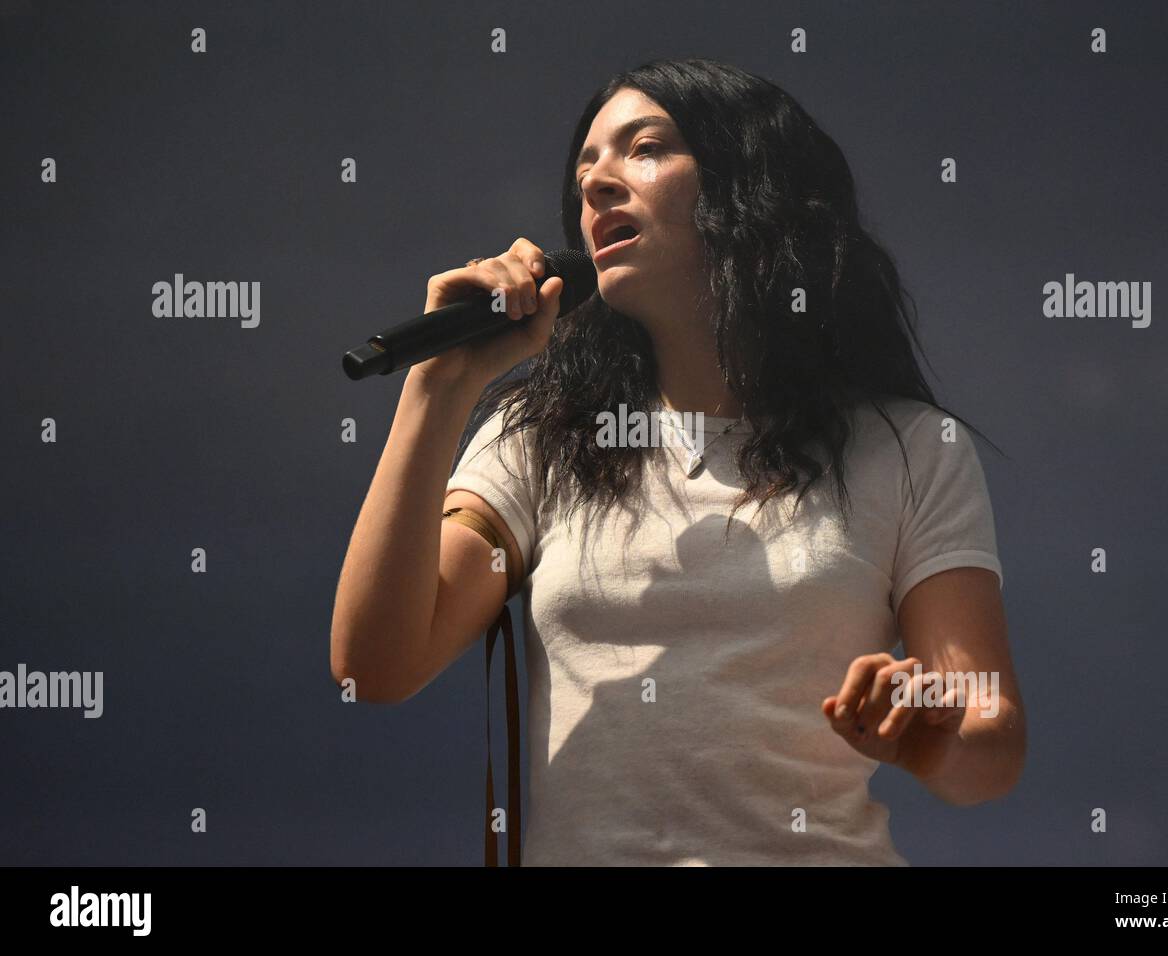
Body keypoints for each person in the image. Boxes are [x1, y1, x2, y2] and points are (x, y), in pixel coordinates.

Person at [330, 58, 1026, 866]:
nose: (596, 185)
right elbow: (374, 666)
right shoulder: (543, 439)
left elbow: (992, 745)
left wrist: (925, 731)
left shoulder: (905, 448)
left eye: (644, 149)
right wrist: (438, 388)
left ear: (748, 184)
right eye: (585, 167)